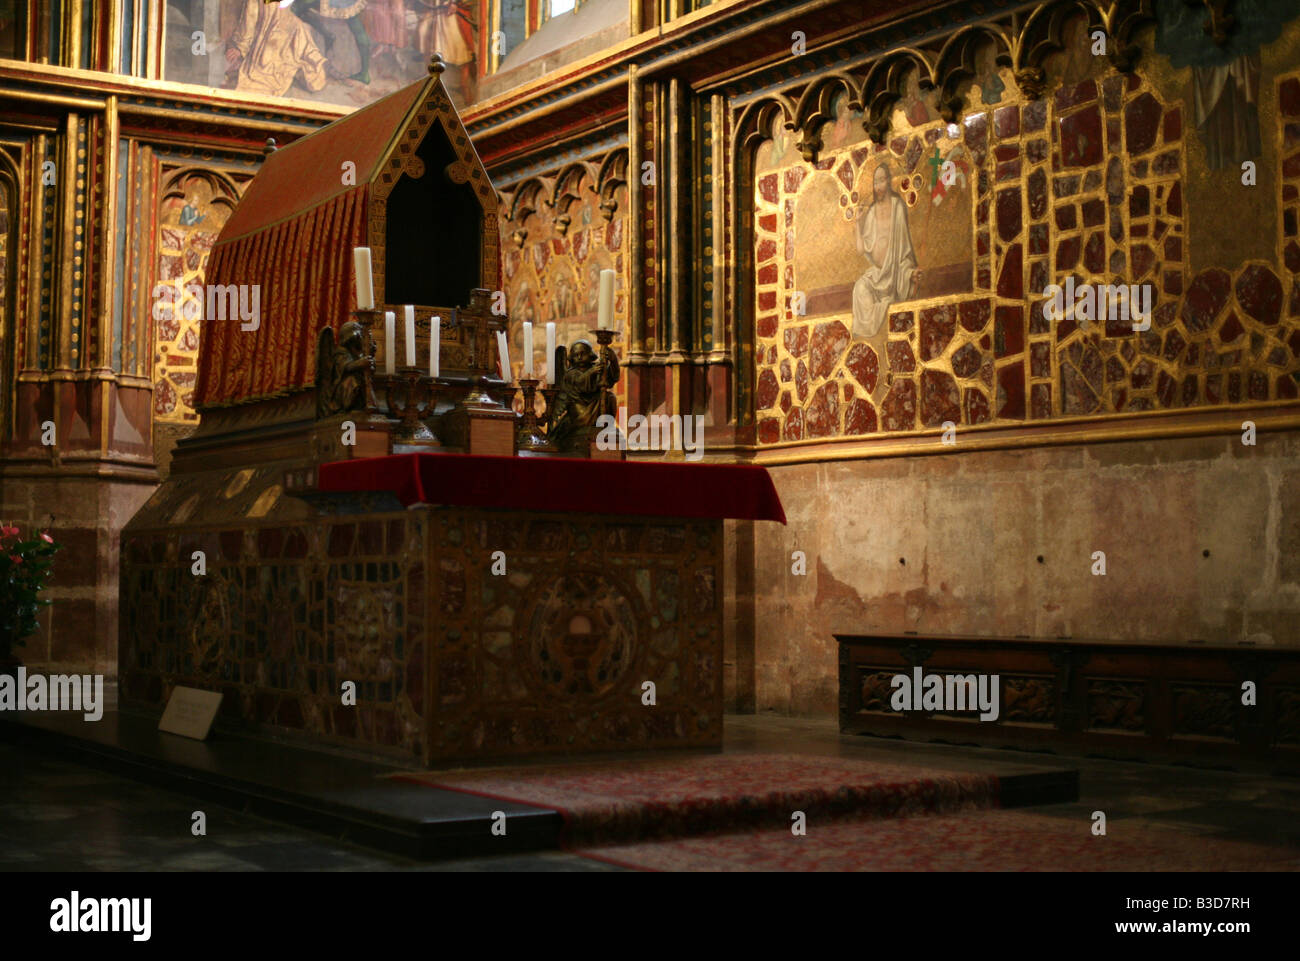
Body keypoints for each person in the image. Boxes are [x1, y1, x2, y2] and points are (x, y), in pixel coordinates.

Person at [852, 163, 920, 339]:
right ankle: (874, 328)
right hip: (877, 277)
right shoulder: (872, 212)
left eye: (881, 181)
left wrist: (908, 272)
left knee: (899, 283)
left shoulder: (898, 207)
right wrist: (857, 223)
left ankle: (884, 310)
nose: (878, 187)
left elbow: (905, 250)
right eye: (875, 182)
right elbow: (860, 250)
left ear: (889, 181)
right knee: (859, 288)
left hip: (895, 274)